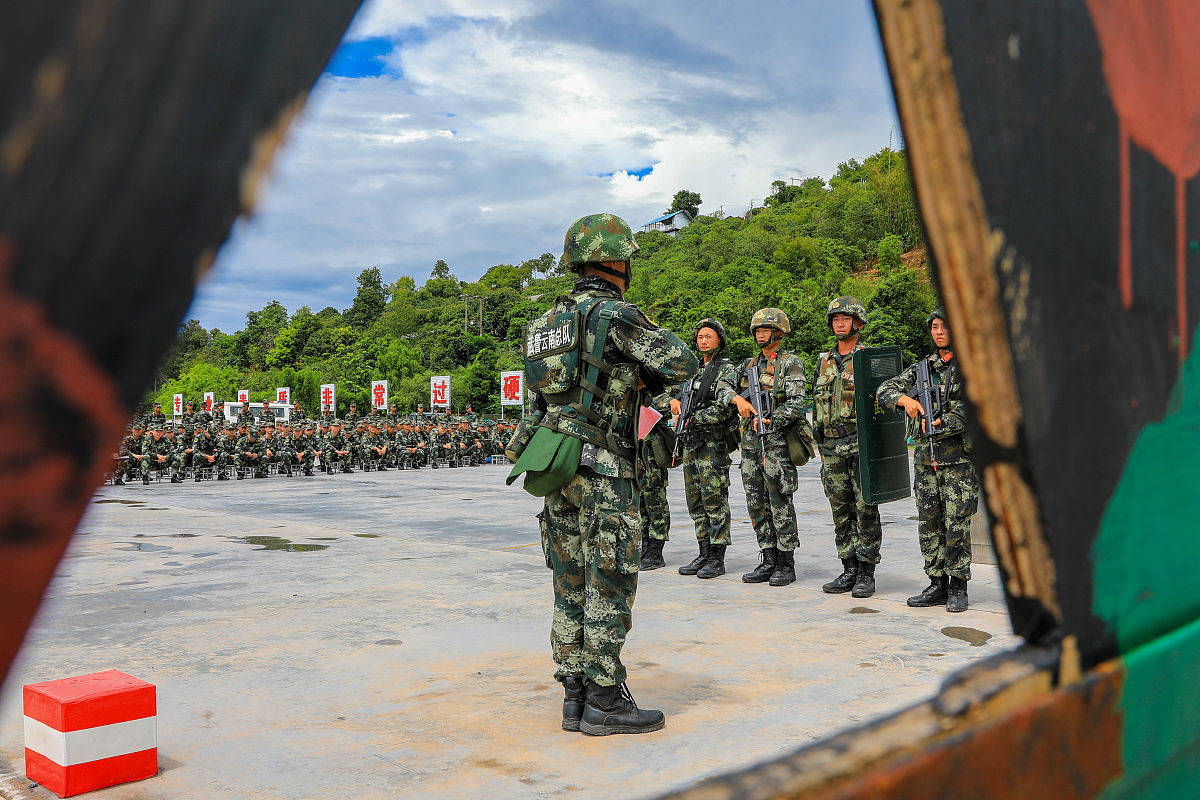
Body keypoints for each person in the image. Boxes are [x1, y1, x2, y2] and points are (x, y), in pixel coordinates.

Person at [518, 213, 696, 736]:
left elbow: (540, 400)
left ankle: (573, 696)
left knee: (568, 578)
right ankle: (604, 699)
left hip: (556, 464)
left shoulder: (543, 328)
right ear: (616, 260)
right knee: (610, 577)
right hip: (605, 463)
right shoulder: (615, 315)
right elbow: (682, 363)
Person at [876, 308, 976, 612]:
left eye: (945, 327)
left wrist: (942, 423)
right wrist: (905, 400)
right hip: (925, 461)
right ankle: (936, 583)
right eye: (934, 327)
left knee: (956, 523)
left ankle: (958, 585)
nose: (939, 332)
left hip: (958, 461)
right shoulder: (922, 369)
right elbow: (884, 390)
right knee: (929, 523)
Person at [717, 308, 807, 586]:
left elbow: (796, 402)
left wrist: (771, 419)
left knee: (779, 500)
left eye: (765, 330)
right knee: (755, 501)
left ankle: (786, 562)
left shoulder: (790, 363)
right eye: (757, 330)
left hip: (777, 443)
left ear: (778, 333)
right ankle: (768, 557)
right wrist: (738, 401)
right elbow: (721, 386)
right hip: (751, 445)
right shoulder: (747, 365)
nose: (760, 334)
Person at [812, 297, 884, 599]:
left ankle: (866, 571)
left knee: (865, 508)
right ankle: (848, 568)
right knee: (840, 510)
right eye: (835, 319)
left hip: (860, 444)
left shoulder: (868, 358)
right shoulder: (823, 360)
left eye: (845, 319)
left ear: (858, 323)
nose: (839, 324)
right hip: (831, 446)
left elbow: (881, 405)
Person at [672, 318, 738, 579]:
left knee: (715, 499)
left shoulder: (726, 369)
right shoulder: (691, 370)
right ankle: (703, 551)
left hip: (712, 444)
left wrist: (693, 419)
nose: (704, 341)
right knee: (695, 500)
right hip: (690, 443)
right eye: (700, 337)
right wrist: (673, 403)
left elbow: (724, 407)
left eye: (709, 336)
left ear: (719, 340)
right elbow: (675, 394)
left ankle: (717, 557)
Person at [635, 391, 674, 570]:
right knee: (640, 500)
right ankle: (644, 545)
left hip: (653, 448)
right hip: (635, 447)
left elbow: (666, 401)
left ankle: (656, 549)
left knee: (655, 500)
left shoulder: (659, 380)